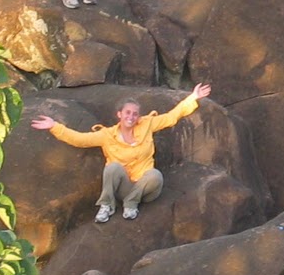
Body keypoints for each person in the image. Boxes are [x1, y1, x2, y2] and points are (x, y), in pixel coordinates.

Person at [31, 84, 210, 223]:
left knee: (155, 175)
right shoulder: (107, 135)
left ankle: (131, 205)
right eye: (127, 113)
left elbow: (171, 117)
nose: (131, 116)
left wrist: (193, 97)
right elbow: (80, 139)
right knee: (113, 168)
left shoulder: (147, 125)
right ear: (119, 114)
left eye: (135, 114)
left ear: (139, 116)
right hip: (122, 187)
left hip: (145, 189)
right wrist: (54, 126)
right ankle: (106, 206)